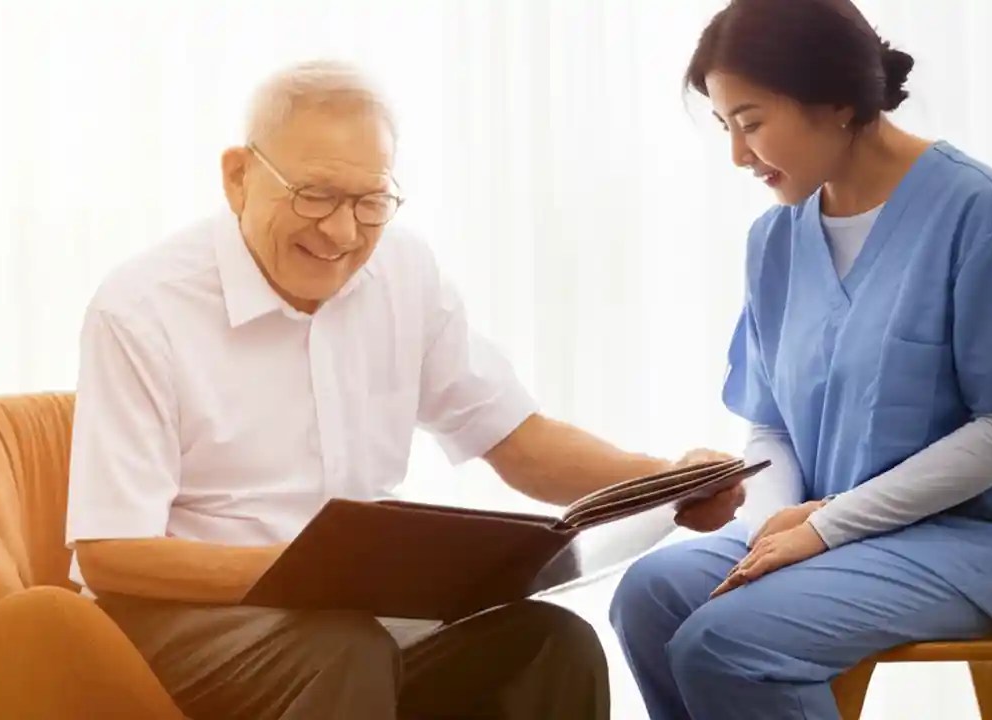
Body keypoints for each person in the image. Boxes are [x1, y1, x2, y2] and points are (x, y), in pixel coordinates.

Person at [65, 59, 741, 720]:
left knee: (550, 643)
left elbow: (518, 442)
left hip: (345, 619)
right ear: (238, 176)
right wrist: (306, 573)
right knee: (342, 649)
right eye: (314, 195)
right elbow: (110, 556)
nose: (341, 232)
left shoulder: (402, 271)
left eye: (369, 202)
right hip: (180, 624)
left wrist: (668, 483)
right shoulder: (142, 307)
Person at [608, 1, 992, 718]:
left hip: (982, 545)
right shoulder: (775, 241)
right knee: (650, 596)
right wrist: (775, 527)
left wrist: (825, 528)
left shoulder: (978, 212)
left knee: (728, 641)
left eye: (750, 122)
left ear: (835, 100)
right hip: (824, 532)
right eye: (724, 127)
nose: (737, 155)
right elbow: (770, 425)